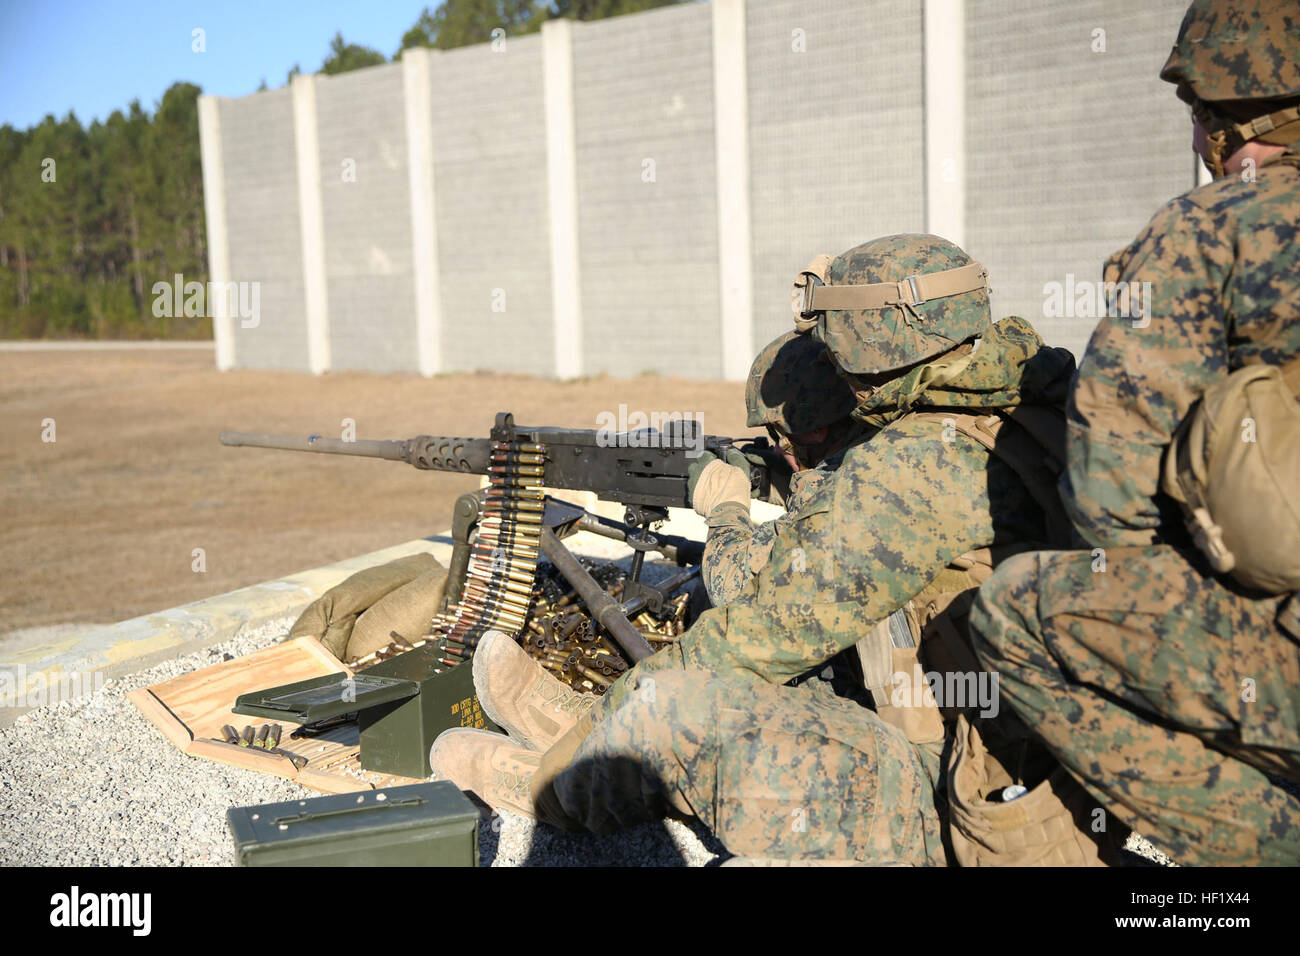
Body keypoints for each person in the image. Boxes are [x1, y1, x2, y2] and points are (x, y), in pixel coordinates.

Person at [433, 233, 1083, 864]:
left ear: (881, 341)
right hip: (1027, 756)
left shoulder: (908, 469)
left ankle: (556, 789)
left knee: (688, 701)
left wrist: (726, 514)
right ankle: (595, 726)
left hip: (973, 803)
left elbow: (742, 643)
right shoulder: (1035, 404)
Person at [968, 0, 1300, 865]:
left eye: (1200, 116)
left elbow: (1110, 509)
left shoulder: (1210, 229)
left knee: (1016, 612)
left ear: (1228, 125)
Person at [695, 329, 867, 607]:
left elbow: (732, 591)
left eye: (778, 433)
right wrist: (781, 481)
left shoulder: (839, 505)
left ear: (815, 431)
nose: (777, 447)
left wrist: (726, 508)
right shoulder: (882, 455)